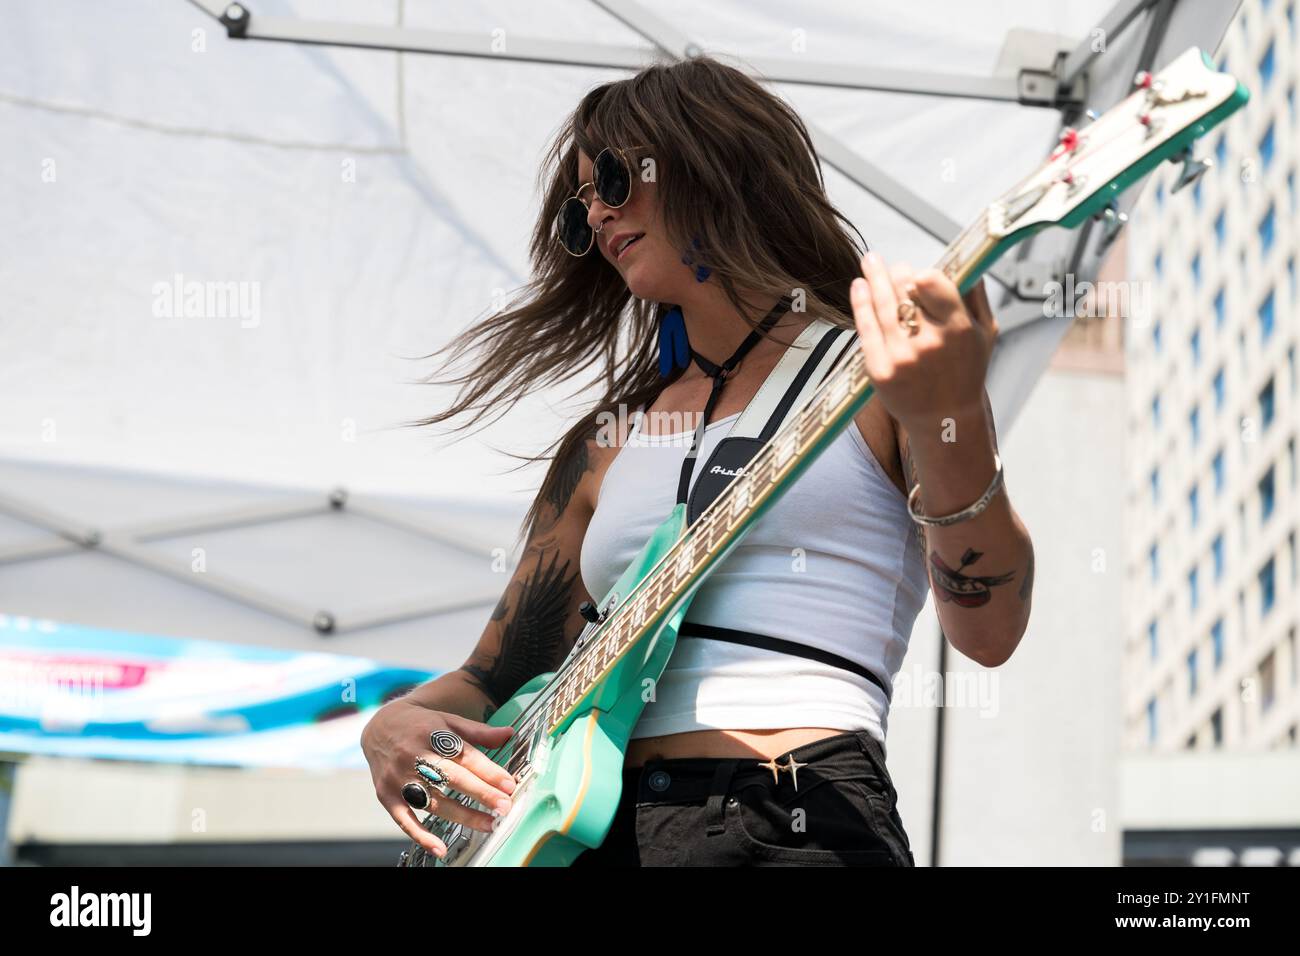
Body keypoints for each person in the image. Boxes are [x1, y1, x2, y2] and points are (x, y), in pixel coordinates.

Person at [361, 55, 1034, 866]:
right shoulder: (606, 441)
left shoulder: (882, 372)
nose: (600, 218)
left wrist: (950, 413)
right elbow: (492, 674)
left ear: (716, 158)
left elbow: (992, 630)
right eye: (581, 210)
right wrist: (392, 724)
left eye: (613, 180)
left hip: (793, 812)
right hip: (589, 830)